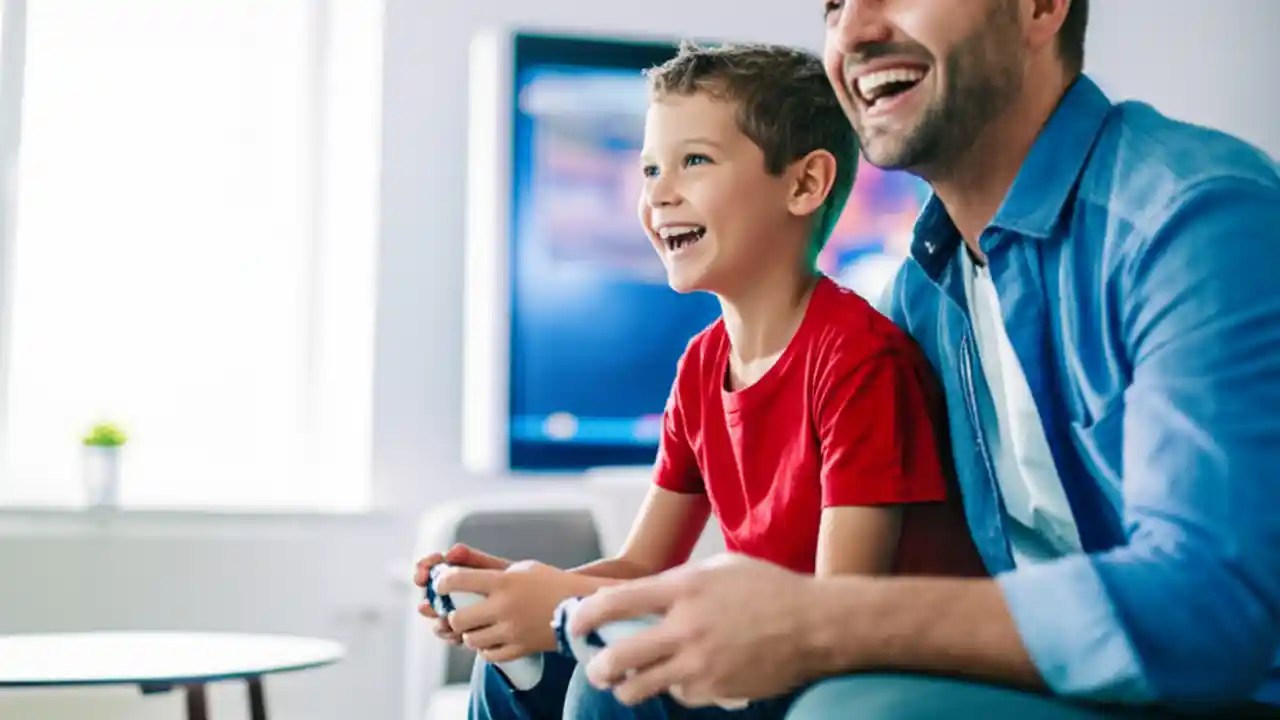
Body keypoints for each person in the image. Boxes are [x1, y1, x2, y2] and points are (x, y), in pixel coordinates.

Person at [569, 1, 1280, 718]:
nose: (854, 31)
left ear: (1039, 7)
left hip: (1221, 696)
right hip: (1051, 689)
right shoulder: (923, 301)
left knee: (851, 712)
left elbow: (1212, 608)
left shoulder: (1195, 220)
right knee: (614, 690)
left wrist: (817, 622)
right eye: (835, 4)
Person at [413, 41, 982, 720]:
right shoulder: (701, 366)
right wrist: (514, 598)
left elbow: (835, 613)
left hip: (839, 660)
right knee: (509, 673)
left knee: (613, 685)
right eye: (650, 167)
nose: (657, 191)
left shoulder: (860, 362)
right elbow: (641, 567)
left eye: (695, 162)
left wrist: (562, 606)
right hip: (773, 653)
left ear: (804, 185)